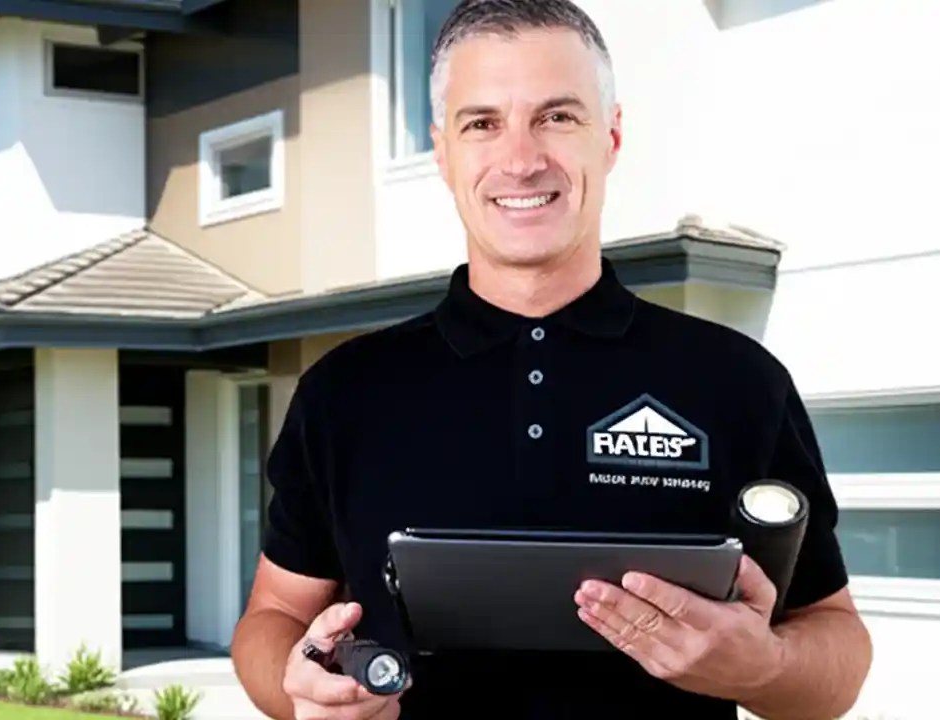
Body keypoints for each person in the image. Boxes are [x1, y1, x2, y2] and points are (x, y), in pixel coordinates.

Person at [230, 0, 873, 717]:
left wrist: (765, 668)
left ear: (612, 137)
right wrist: (302, 693)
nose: (521, 159)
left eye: (557, 117)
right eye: (483, 124)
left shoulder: (737, 382)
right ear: (443, 152)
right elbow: (271, 621)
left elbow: (836, 652)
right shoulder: (343, 392)